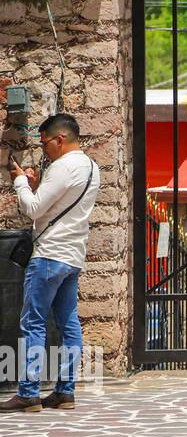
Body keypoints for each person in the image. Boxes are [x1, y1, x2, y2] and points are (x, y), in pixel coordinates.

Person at [2, 114, 101, 414]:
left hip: (48, 256)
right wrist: (36, 185)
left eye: (45, 143)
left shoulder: (62, 167)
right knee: (69, 324)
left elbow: (32, 209)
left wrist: (19, 181)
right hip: (72, 257)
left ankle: (29, 393)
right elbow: (55, 204)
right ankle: (65, 391)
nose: (43, 149)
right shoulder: (91, 168)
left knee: (33, 322)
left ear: (60, 139)